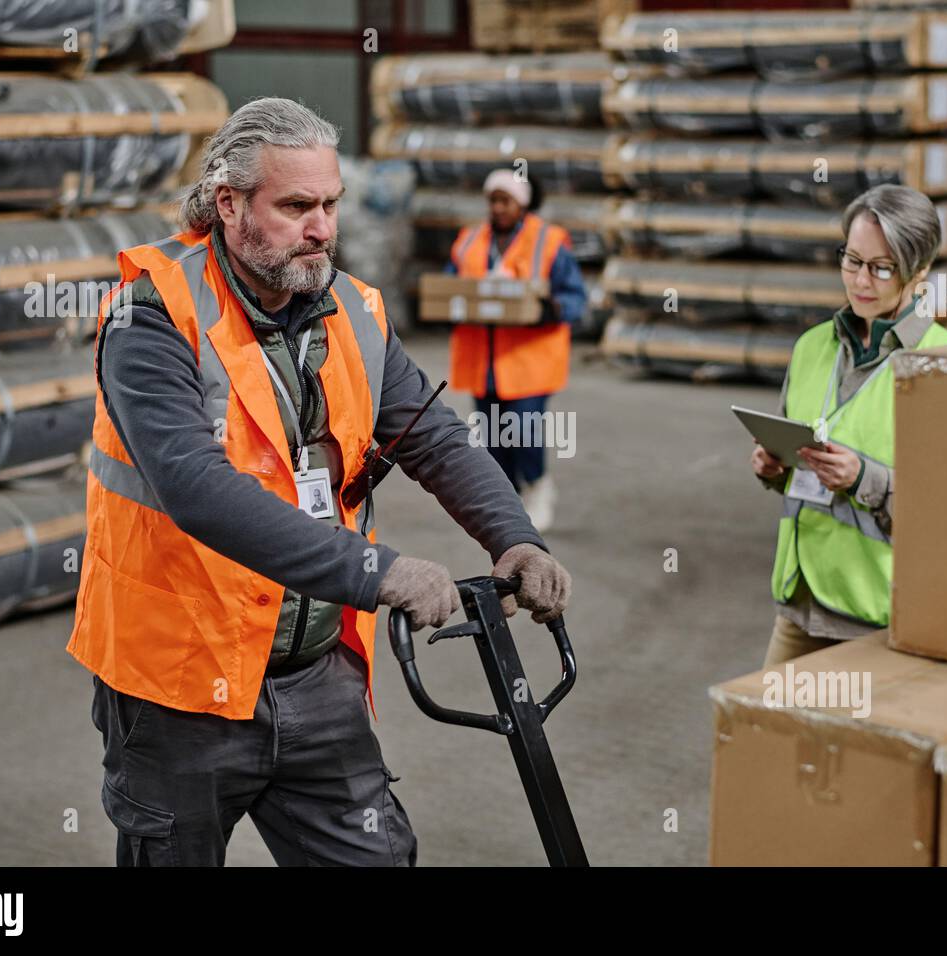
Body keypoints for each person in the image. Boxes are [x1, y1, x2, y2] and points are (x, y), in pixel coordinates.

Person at [66, 98, 573, 867]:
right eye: (297, 206)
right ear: (229, 205)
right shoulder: (153, 318)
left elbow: (433, 436)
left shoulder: (354, 312)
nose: (324, 227)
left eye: (330, 203)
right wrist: (379, 571)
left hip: (315, 676)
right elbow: (197, 489)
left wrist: (516, 537)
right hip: (180, 686)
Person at [751, 184, 947, 668]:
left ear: (921, 271)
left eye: (882, 267)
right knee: (770, 740)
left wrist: (866, 480)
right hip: (800, 603)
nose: (861, 281)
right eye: (852, 260)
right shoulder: (811, 347)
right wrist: (774, 467)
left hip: (884, 618)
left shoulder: (946, 364)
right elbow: (796, 470)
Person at [444, 170, 586, 532]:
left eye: (505, 200)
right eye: (493, 200)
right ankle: (509, 502)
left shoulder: (549, 242)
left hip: (529, 361)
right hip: (483, 361)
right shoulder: (469, 240)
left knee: (523, 429)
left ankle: (538, 486)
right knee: (493, 437)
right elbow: (448, 287)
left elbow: (575, 298)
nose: (497, 207)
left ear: (522, 204)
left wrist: (549, 308)